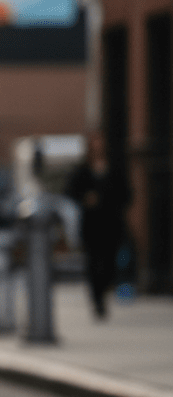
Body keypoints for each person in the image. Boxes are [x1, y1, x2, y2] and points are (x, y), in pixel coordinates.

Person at [65, 131, 132, 319]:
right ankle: (97, 300)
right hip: (91, 225)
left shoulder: (115, 169)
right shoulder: (82, 170)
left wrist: (110, 200)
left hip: (111, 224)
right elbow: (70, 191)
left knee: (110, 262)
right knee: (93, 262)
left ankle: (103, 292)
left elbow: (127, 194)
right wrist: (85, 199)